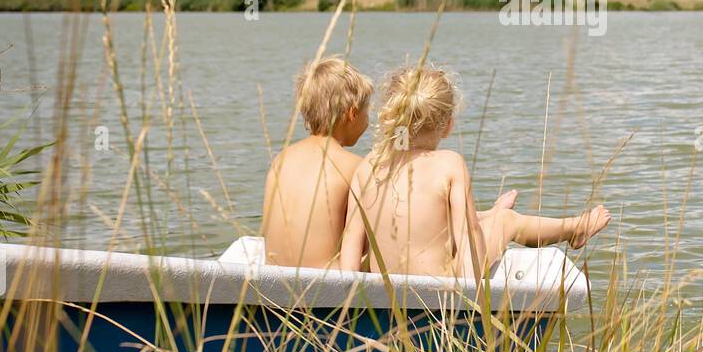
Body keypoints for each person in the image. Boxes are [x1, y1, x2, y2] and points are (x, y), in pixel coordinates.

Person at [339, 65, 611, 278]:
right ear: (448, 125)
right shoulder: (449, 164)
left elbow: (350, 256)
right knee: (507, 221)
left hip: (384, 298)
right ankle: (574, 228)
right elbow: (468, 241)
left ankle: (496, 213)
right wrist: (470, 298)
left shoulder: (369, 166)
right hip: (441, 293)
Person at [261, 57, 373, 267]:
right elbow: (365, 239)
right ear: (352, 113)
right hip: (326, 289)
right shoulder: (354, 166)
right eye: (367, 110)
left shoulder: (281, 159)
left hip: (275, 284)